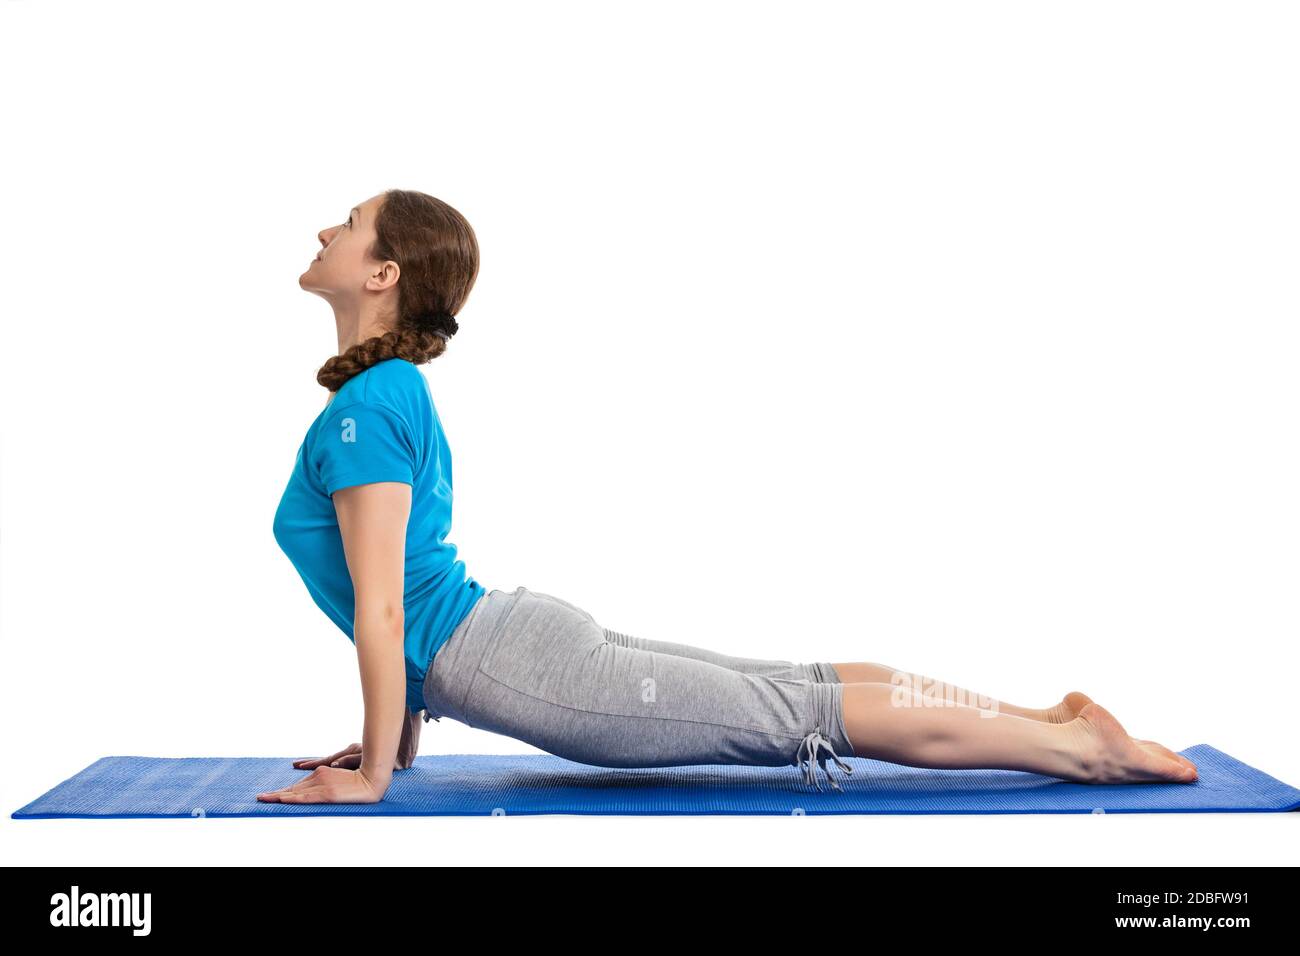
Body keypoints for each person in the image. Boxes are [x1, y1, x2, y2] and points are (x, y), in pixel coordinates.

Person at [258, 190, 1199, 805]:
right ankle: (1048, 722)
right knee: (799, 685)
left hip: (512, 663)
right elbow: (399, 589)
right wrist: (399, 737)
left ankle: (1084, 754)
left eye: (344, 224)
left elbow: (386, 606)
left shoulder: (365, 409)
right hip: (507, 640)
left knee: (797, 716)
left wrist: (378, 772)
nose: (323, 231)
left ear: (383, 274)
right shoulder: (384, 395)